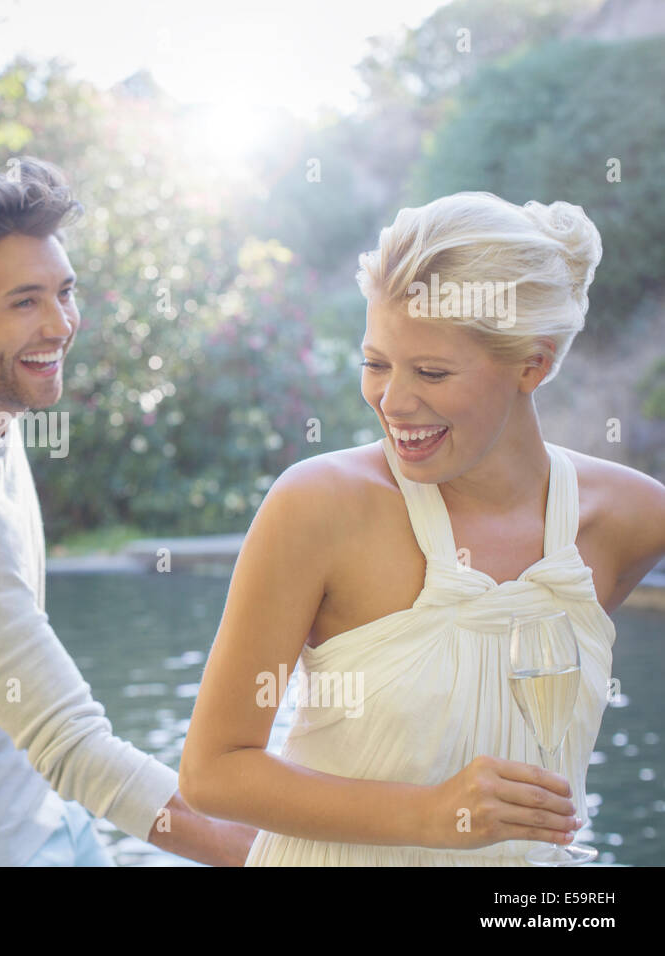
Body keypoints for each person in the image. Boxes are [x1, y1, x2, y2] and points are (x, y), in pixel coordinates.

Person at [179, 192, 665, 865]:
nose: (392, 401)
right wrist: (432, 816)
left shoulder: (632, 518)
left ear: (534, 364)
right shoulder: (320, 507)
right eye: (375, 364)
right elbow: (212, 772)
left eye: (431, 372)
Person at [0, 157, 257, 866]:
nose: (61, 324)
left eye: (65, 291)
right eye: (25, 302)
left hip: (44, 817)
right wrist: (291, 857)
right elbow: (79, 749)